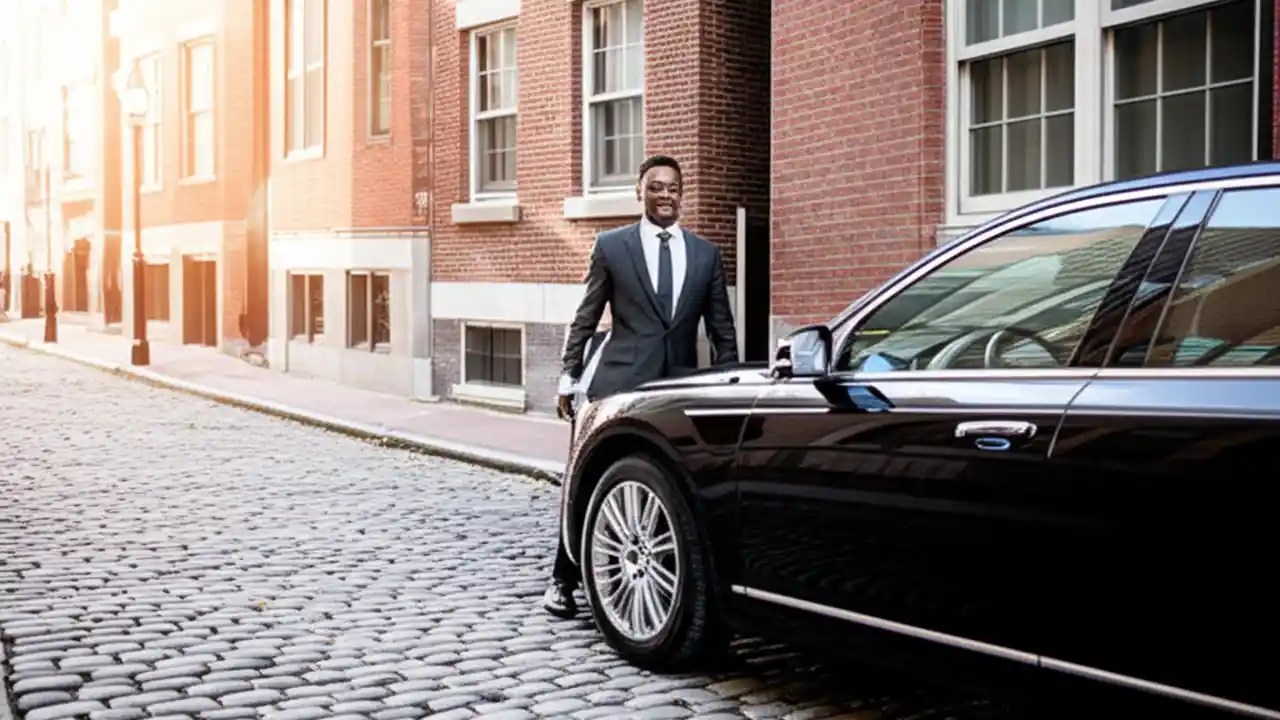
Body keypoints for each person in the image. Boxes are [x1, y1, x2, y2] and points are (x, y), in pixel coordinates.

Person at [542, 153, 739, 618]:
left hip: (677, 388)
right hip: (618, 385)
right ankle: (562, 580)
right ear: (640, 192)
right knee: (588, 479)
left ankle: (645, 574)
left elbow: (722, 330)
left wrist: (728, 383)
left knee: (664, 485)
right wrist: (569, 378)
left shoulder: (705, 254)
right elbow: (586, 317)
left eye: (673, 187)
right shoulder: (612, 246)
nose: (665, 194)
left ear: (681, 194)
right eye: (655, 186)